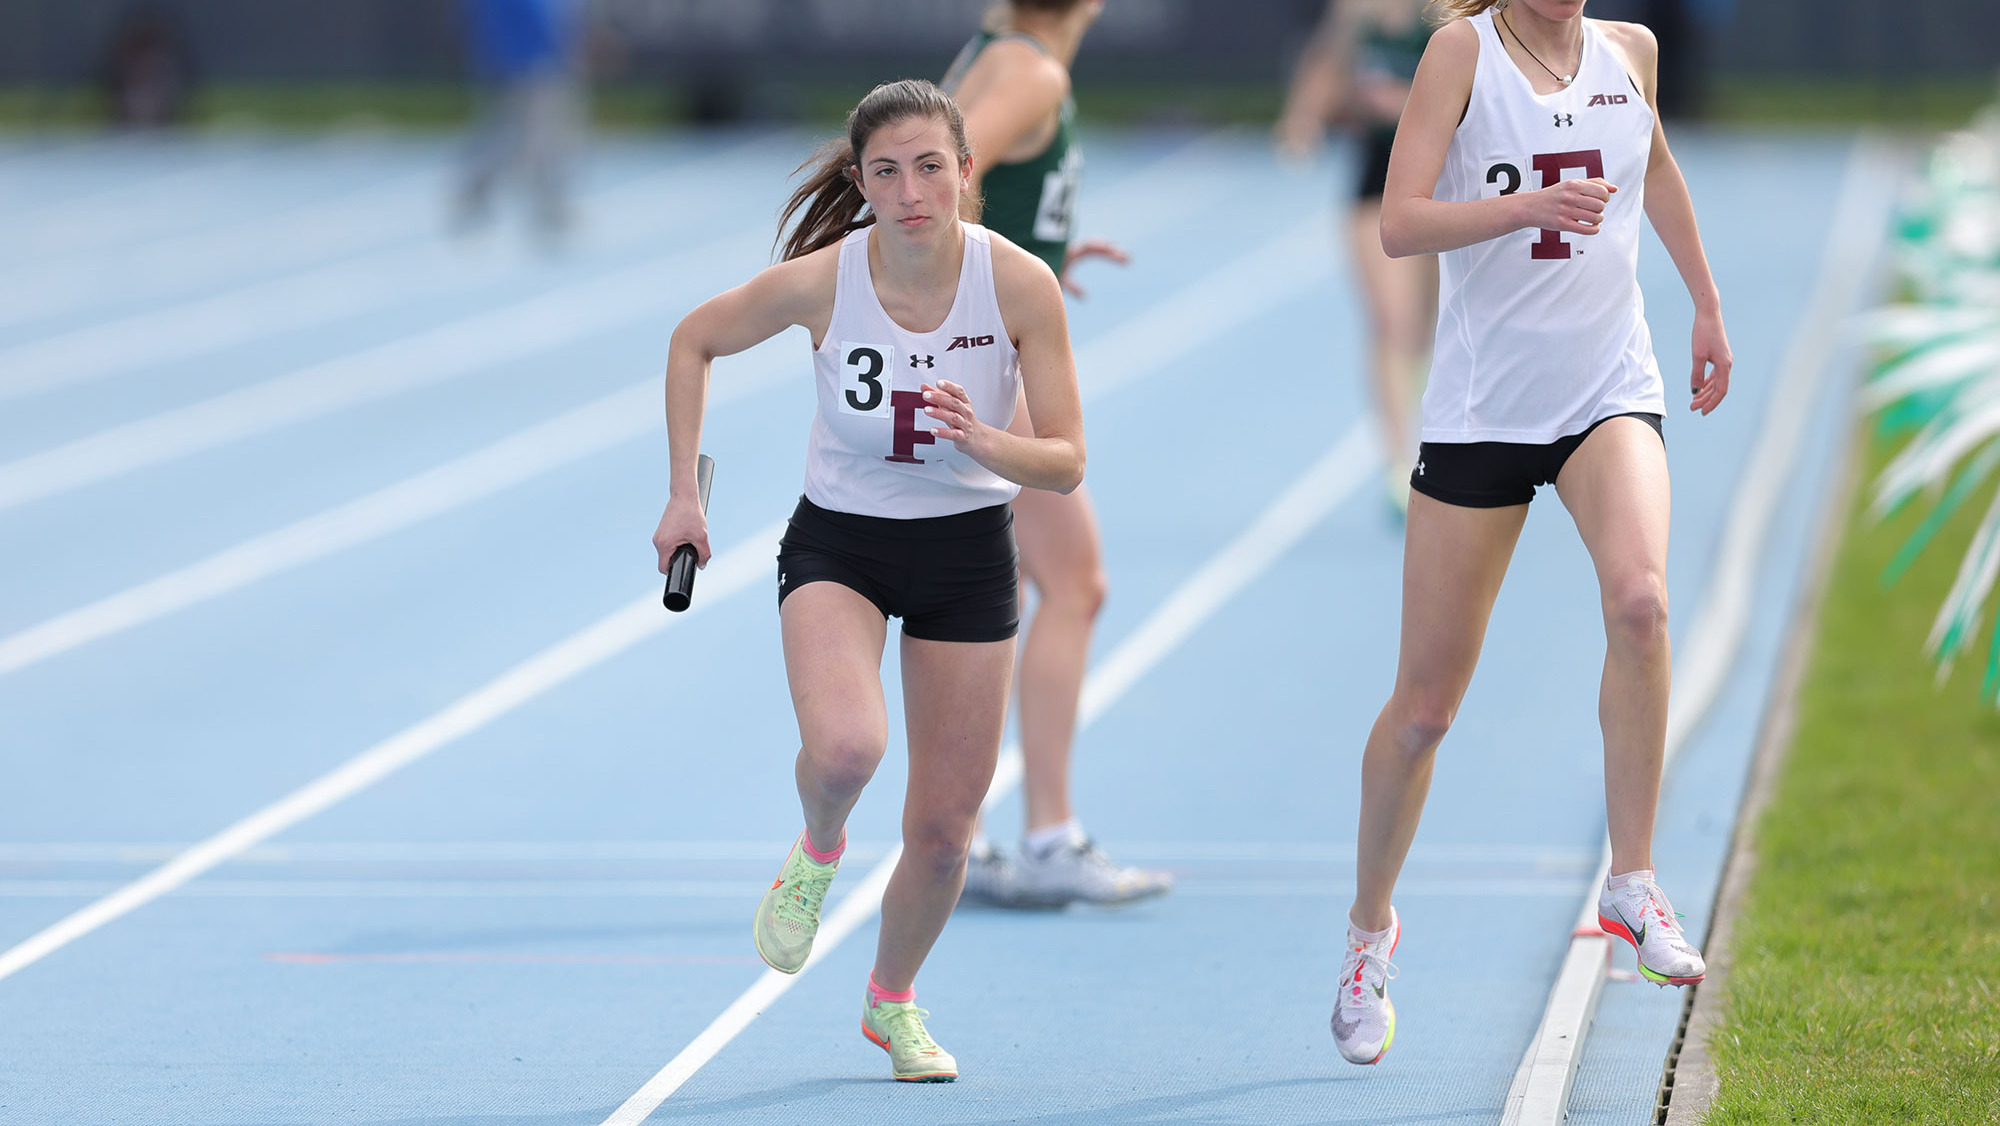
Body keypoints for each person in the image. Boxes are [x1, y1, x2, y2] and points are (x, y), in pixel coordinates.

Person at [650, 79, 1086, 1082]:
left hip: (969, 552)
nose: (911, 190)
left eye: (931, 166)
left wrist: (987, 440)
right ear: (861, 181)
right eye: (886, 171)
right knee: (846, 749)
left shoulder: (1016, 285)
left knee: (942, 831)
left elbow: (1065, 459)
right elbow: (693, 341)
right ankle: (817, 843)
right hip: (840, 545)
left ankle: (891, 999)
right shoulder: (825, 281)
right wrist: (684, 493)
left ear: (966, 173)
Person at [1329, 0, 1732, 1066]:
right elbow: (1398, 221)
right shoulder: (1458, 53)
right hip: (1482, 410)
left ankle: (1632, 884)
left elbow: (1659, 173)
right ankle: (1369, 930)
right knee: (1423, 707)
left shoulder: (1627, 51)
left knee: (1639, 600)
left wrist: (1702, 300)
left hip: (1606, 388)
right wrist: (1523, 208)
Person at [942, 0, 1174, 910]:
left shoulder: (998, 48)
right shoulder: (1035, 70)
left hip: (979, 344)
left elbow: (968, 181)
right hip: (990, 358)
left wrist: (1041, 246)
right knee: (1073, 585)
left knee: (1014, 587)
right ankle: (1039, 835)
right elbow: (947, 182)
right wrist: (1010, 287)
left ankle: (973, 833)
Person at [1276, 0, 1439, 518]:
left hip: (1446, 184)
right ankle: (1399, 464)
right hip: (1377, 188)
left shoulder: (1448, 13)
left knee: (1425, 329)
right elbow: (1325, 65)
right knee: (1391, 322)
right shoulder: (1357, 12)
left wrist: (1405, 104)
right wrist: (1303, 119)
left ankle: (1429, 432)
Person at [453, 0, 584, 243]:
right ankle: (547, 210)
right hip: (532, 64)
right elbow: (542, 21)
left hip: (512, 62)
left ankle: (476, 193)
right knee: (538, 140)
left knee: (517, 137)